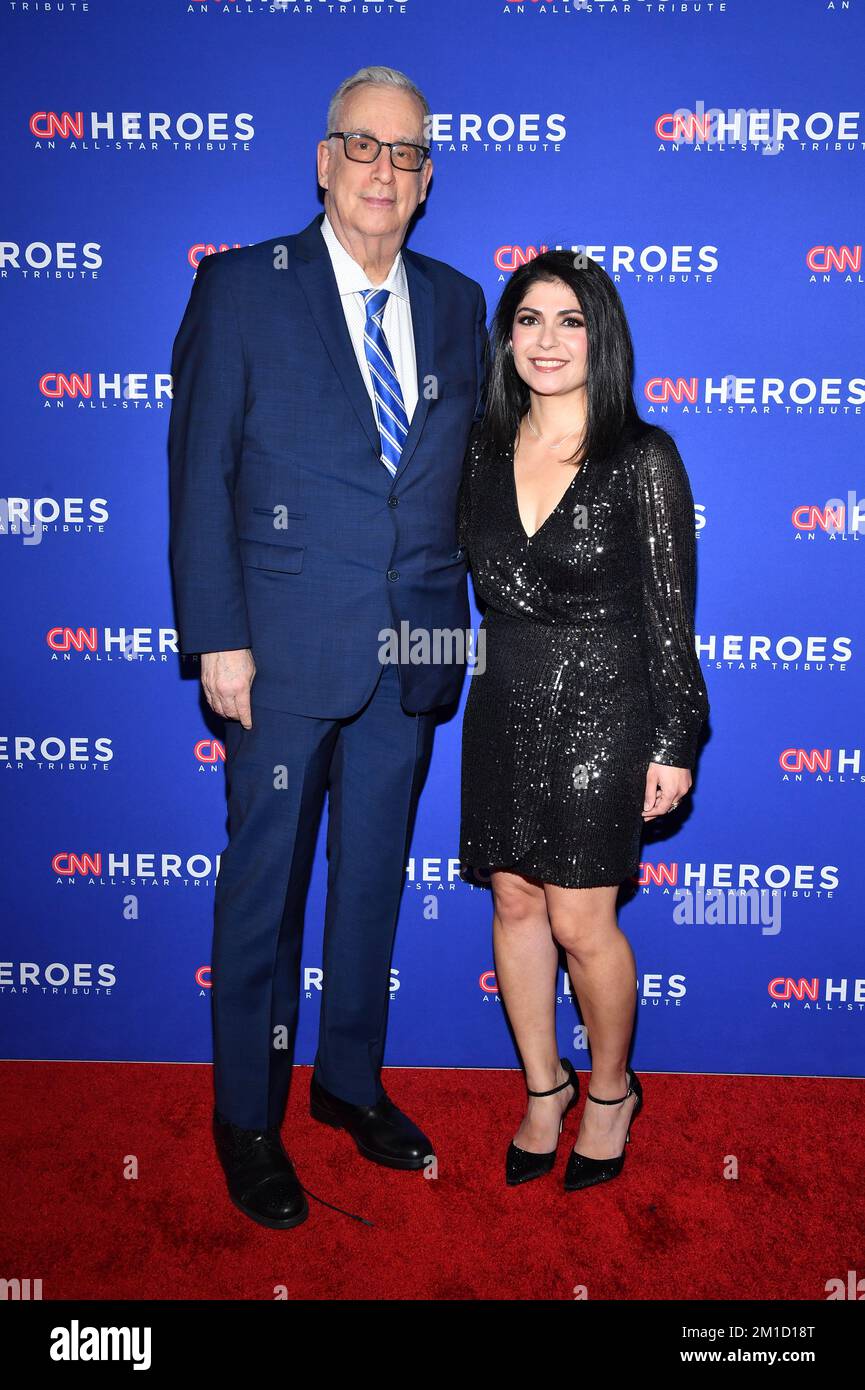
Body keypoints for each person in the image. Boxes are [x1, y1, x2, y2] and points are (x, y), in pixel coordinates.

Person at [168, 66, 487, 1229]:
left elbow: (462, 481)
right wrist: (218, 638)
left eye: (406, 154)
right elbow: (200, 471)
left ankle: (347, 1084)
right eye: (363, 145)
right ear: (322, 158)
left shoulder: (459, 303)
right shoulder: (244, 288)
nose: (382, 171)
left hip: (409, 645)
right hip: (280, 651)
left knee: (370, 889)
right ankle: (246, 1117)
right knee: (265, 890)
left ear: (428, 178)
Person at [457, 250, 709, 1192]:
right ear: (507, 338)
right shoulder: (479, 450)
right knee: (513, 900)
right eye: (528, 320)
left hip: (607, 709)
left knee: (579, 917)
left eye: (570, 320)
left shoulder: (640, 457)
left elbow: (668, 613)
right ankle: (540, 1087)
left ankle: (609, 1092)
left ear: (599, 336)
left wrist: (674, 738)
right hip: (505, 702)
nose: (548, 339)